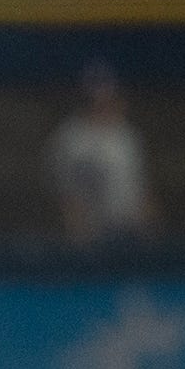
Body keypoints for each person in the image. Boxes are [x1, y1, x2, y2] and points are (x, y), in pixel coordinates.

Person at [45, 60, 158, 247]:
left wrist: (151, 235)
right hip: (91, 236)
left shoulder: (126, 134)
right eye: (98, 99)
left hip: (131, 231)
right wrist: (79, 239)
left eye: (110, 97)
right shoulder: (71, 138)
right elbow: (67, 196)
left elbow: (141, 189)